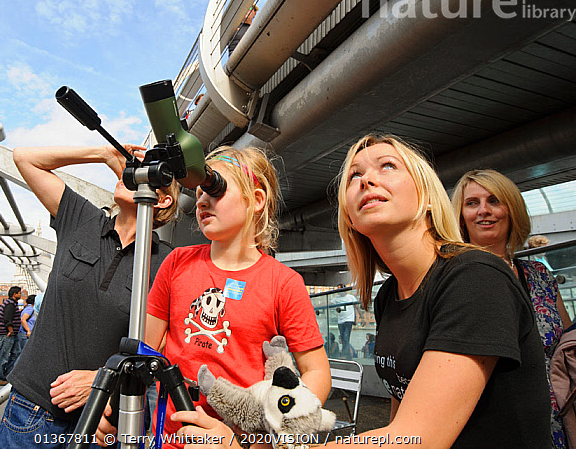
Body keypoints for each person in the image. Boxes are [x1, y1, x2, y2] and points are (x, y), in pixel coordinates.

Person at [170, 134, 552, 448]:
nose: (367, 180)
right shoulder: (390, 296)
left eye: (388, 166)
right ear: (349, 217)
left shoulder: (474, 277)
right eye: (354, 175)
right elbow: (398, 422)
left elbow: (419, 438)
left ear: (426, 193)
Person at [96, 146, 330, 447]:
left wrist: (264, 433)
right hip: (168, 439)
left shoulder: (284, 283)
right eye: (199, 193)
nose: (202, 199)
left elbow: (317, 372)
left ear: (256, 200)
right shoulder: (177, 263)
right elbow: (143, 350)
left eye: (214, 188)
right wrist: (112, 404)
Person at [0, 143, 179, 448]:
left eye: (142, 170)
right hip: (31, 411)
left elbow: (155, 348)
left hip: (103, 422)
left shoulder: (166, 262)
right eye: (131, 167)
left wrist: (103, 381)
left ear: (163, 199)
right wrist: (104, 154)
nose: (130, 171)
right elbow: (25, 157)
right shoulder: (81, 219)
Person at [452, 168, 573, 448]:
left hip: (551, 418)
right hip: (486, 424)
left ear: (512, 210)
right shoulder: (451, 277)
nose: (484, 211)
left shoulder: (539, 275)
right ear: (460, 216)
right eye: (472, 203)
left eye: (494, 200)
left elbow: (565, 344)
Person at [0, 286, 22, 386]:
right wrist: (10, 331)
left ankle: (6, 375)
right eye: (19, 293)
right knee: (3, 356)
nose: (20, 295)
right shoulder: (10, 304)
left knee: (16, 353)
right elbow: (7, 318)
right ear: (14, 294)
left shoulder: (12, 304)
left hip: (11, 334)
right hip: (6, 334)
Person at [336, 287, 357, 359]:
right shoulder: (337, 298)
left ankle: (345, 354)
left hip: (349, 320)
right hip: (340, 321)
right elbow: (328, 303)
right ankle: (346, 353)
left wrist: (361, 317)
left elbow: (356, 306)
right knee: (343, 337)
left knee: (346, 336)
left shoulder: (351, 297)